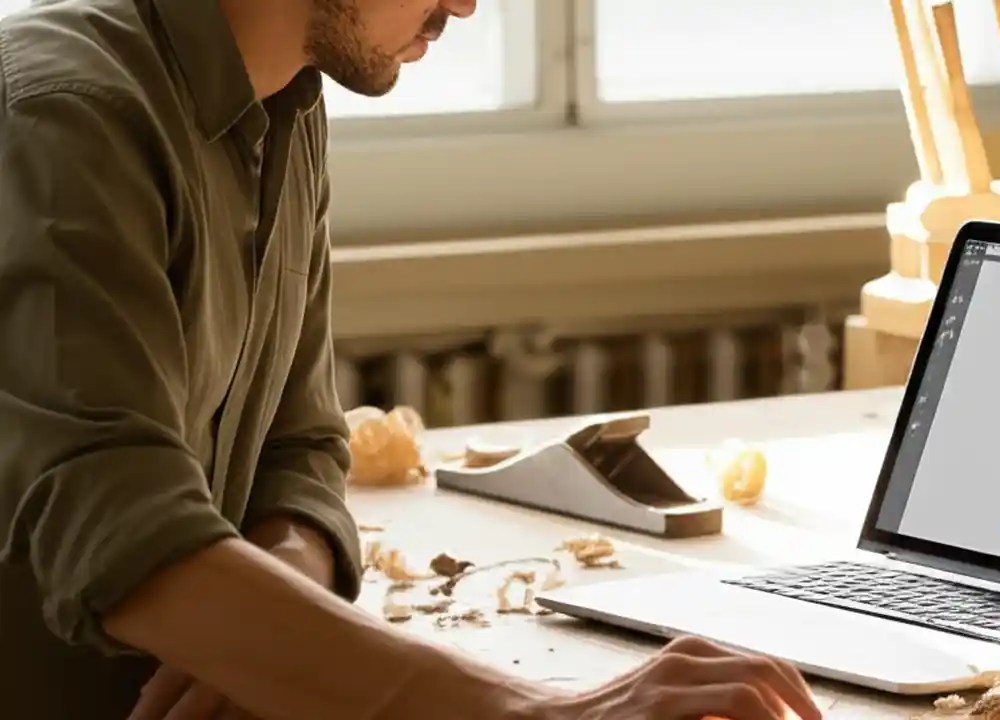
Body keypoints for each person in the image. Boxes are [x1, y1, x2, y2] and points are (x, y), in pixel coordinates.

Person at [0, 0, 825, 717]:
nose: (464, 7)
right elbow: (120, 534)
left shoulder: (285, 98)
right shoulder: (64, 119)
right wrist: (535, 711)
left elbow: (301, 449)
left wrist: (262, 629)